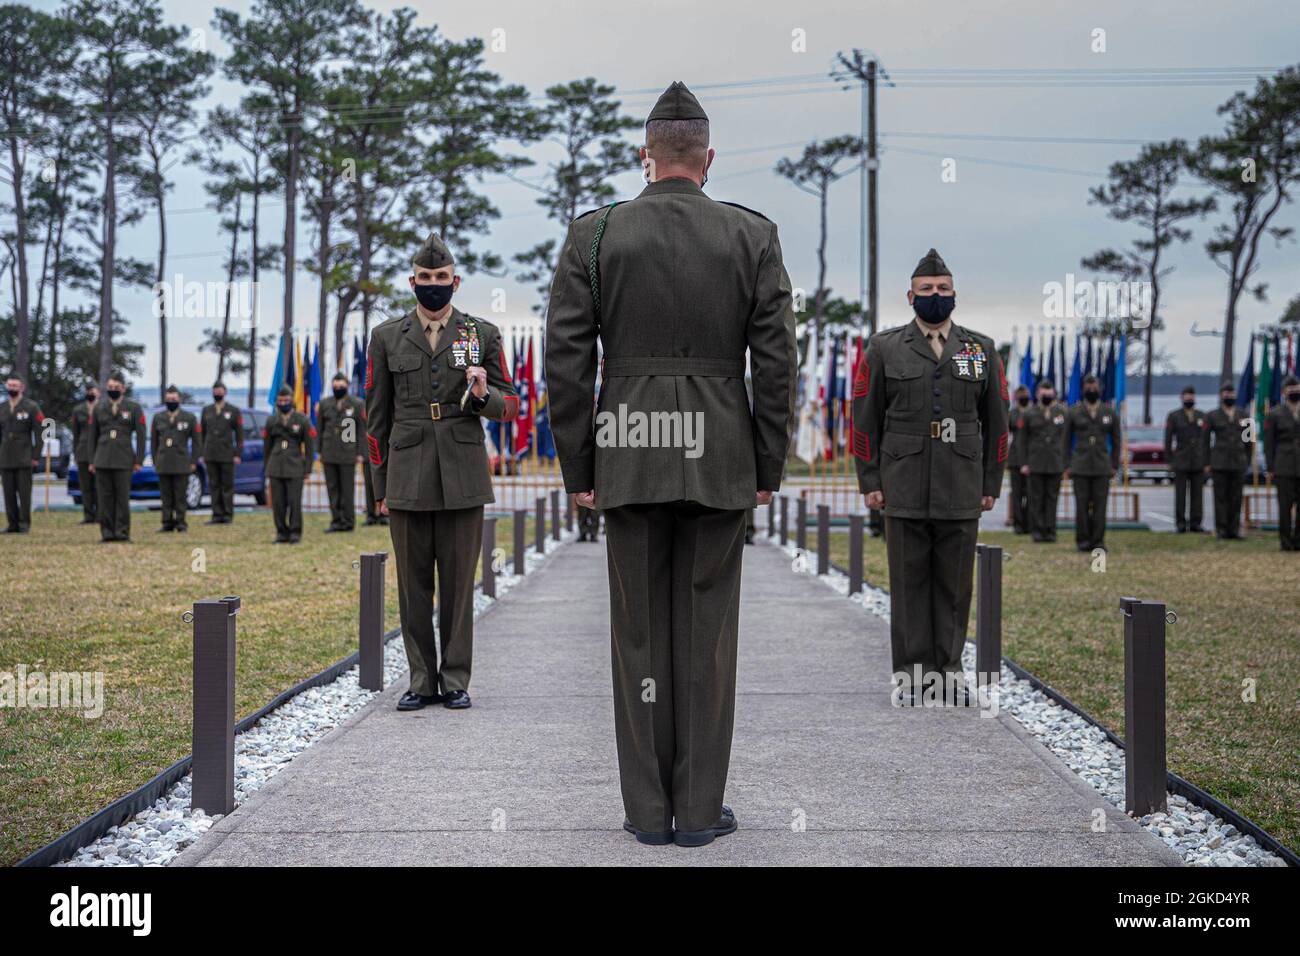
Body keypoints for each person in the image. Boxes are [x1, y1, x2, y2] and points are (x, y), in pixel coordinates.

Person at [547, 82, 798, 847]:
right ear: (709, 159)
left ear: (646, 158)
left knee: (637, 640)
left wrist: (579, 465)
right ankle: (697, 813)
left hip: (627, 453)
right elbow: (778, 363)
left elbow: (564, 361)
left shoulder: (594, 236)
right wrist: (766, 462)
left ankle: (646, 814)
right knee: (709, 638)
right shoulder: (752, 236)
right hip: (719, 455)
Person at [366, 232, 518, 713]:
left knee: (457, 584)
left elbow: (510, 406)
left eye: (442, 278)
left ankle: (454, 678)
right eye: (425, 278)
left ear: (456, 282)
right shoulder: (387, 336)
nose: (434, 285)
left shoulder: (482, 335)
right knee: (413, 588)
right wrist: (380, 488)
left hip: (462, 472)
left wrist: (480, 394)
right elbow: (375, 418)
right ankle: (420, 679)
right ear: (413, 282)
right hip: (407, 474)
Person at [851, 247, 1008, 705]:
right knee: (909, 581)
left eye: (942, 289)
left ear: (954, 294)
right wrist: (871, 481)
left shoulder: (980, 350)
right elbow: (864, 419)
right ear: (910, 296)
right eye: (926, 290)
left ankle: (948, 673)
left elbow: (997, 422)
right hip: (902, 481)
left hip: (960, 483)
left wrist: (990, 483)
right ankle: (911, 675)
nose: (935, 296)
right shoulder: (884, 347)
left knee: (955, 585)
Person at [1063, 374, 1121, 552]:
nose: (1091, 390)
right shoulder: (1074, 412)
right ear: (1082, 390)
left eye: (1094, 387)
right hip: (1080, 466)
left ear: (1100, 389)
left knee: (1100, 506)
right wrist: (1067, 465)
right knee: (1081, 506)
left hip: (1102, 466)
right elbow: (1065, 441)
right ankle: (1083, 541)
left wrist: (1114, 465)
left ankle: (1098, 541)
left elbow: (1117, 440)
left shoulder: (1109, 412)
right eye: (1088, 388)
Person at [87, 373, 146, 542]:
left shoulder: (133, 407)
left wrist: (139, 460)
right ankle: (107, 533)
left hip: (124, 459)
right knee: (104, 498)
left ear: (123, 389)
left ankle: (122, 532)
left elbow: (141, 436)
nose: (113, 390)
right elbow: (92, 436)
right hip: (103, 458)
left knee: (122, 498)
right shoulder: (99, 408)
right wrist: (91, 460)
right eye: (110, 387)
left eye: (116, 388)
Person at [263, 386, 314, 543]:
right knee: (278, 503)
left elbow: (309, 446)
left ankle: (295, 532)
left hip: (295, 466)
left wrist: (307, 468)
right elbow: (267, 446)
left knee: (294, 502)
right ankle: (281, 532)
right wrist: (267, 467)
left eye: (286, 400)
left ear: (292, 400)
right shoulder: (272, 420)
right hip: (276, 466)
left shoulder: (302, 420)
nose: (283, 403)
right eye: (280, 401)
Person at [318, 372, 365, 532]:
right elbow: (320, 429)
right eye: (335, 385)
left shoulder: (356, 404)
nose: (338, 388)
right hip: (329, 452)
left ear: (347, 385)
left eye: (341, 385)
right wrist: (319, 452)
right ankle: (336, 520)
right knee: (332, 489)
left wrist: (360, 452)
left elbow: (361, 430)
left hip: (348, 452)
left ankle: (348, 521)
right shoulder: (325, 404)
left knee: (347, 489)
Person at [1022, 379, 1067, 542]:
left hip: (1055, 463)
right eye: (1043, 394)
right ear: (1038, 394)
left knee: (1052, 499)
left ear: (1054, 394)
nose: (1047, 396)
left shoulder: (1062, 413)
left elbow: (1066, 439)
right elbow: (1022, 440)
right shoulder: (1030, 413)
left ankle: (1050, 531)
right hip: (1035, 463)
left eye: (1049, 394)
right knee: (1036, 499)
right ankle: (1038, 531)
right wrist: (1024, 463)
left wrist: (1065, 462)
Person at [150, 385, 199, 532]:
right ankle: (166, 522)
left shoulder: (189, 418)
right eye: (169, 399)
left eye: (174, 399)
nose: (171, 401)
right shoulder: (158, 417)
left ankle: (181, 522)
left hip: (181, 462)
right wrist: (155, 460)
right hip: (164, 461)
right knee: (166, 495)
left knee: (180, 494)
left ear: (179, 399)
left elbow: (197, 441)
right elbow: (154, 442)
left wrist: (194, 461)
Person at [1205, 380, 1249, 540]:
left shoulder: (1244, 415)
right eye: (1226, 393)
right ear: (1221, 395)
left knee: (1236, 498)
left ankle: (1234, 529)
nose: (1229, 396)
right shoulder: (1212, 415)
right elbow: (1205, 441)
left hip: (1238, 462)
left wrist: (1247, 460)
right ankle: (1221, 529)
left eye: (1232, 393)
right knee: (1220, 498)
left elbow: (1249, 440)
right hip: (1220, 462)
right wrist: (1207, 462)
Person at [0, 373, 43, 533]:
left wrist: (36, 455)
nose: (12, 388)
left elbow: (40, 433)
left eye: (15, 386)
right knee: (8, 493)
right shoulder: (2, 407)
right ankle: (12, 524)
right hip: (5, 456)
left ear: (22, 388)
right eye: (10, 385)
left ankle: (24, 523)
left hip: (24, 456)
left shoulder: (31, 407)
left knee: (24, 493)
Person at [1163, 385, 1208, 533]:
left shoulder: (1202, 415)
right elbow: (1168, 439)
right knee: (1180, 494)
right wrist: (1169, 460)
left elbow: (1206, 440)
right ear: (1181, 398)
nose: (1190, 398)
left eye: (1192, 396)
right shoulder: (1174, 416)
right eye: (1187, 396)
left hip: (1198, 460)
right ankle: (1180, 524)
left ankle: (1196, 523)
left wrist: (1207, 460)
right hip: (1181, 460)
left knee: (1197, 495)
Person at [1263, 375, 1300, 551]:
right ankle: (1285, 541)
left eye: (1296, 388)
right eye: (1290, 389)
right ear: (1284, 392)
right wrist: (1270, 467)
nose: (1294, 392)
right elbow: (1269, 444)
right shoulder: (1274, 413)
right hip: (1283, 465)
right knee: (1285, 506)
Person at [198, 381, 243, 524]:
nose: (217, 393)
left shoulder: (233, 410)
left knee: (227, 486)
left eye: (220, 391)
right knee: (214, 485)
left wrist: (237, 453)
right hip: (211, 454)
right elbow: (202, 434)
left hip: (227, 454)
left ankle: (227, 514)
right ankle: (216, 514)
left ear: (225, 392)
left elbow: (239, 434)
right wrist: (202, 453)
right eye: (215, 391)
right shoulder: (207, 410)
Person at [70, 383, 99, 524]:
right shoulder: (78, 410)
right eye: (88, 391)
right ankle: (88, 515)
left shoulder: (102, 408)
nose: (90, 394)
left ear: (98, 393)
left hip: (99, 451)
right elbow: (75, 433)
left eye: (92, 391)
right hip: (83, 451)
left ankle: (100, 514)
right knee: (85, 486)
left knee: (99, 486)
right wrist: (75, 452)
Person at [1007, 384, 1031, 533]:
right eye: (1020, 394)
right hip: (1015, 458)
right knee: (1016, 493)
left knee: (1029, 493)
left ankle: (1028, 523)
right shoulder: (1012, 413)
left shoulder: (1033, 412)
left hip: (1030, 457)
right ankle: (1018, 524)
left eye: (1025, 394)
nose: (1022, 397)